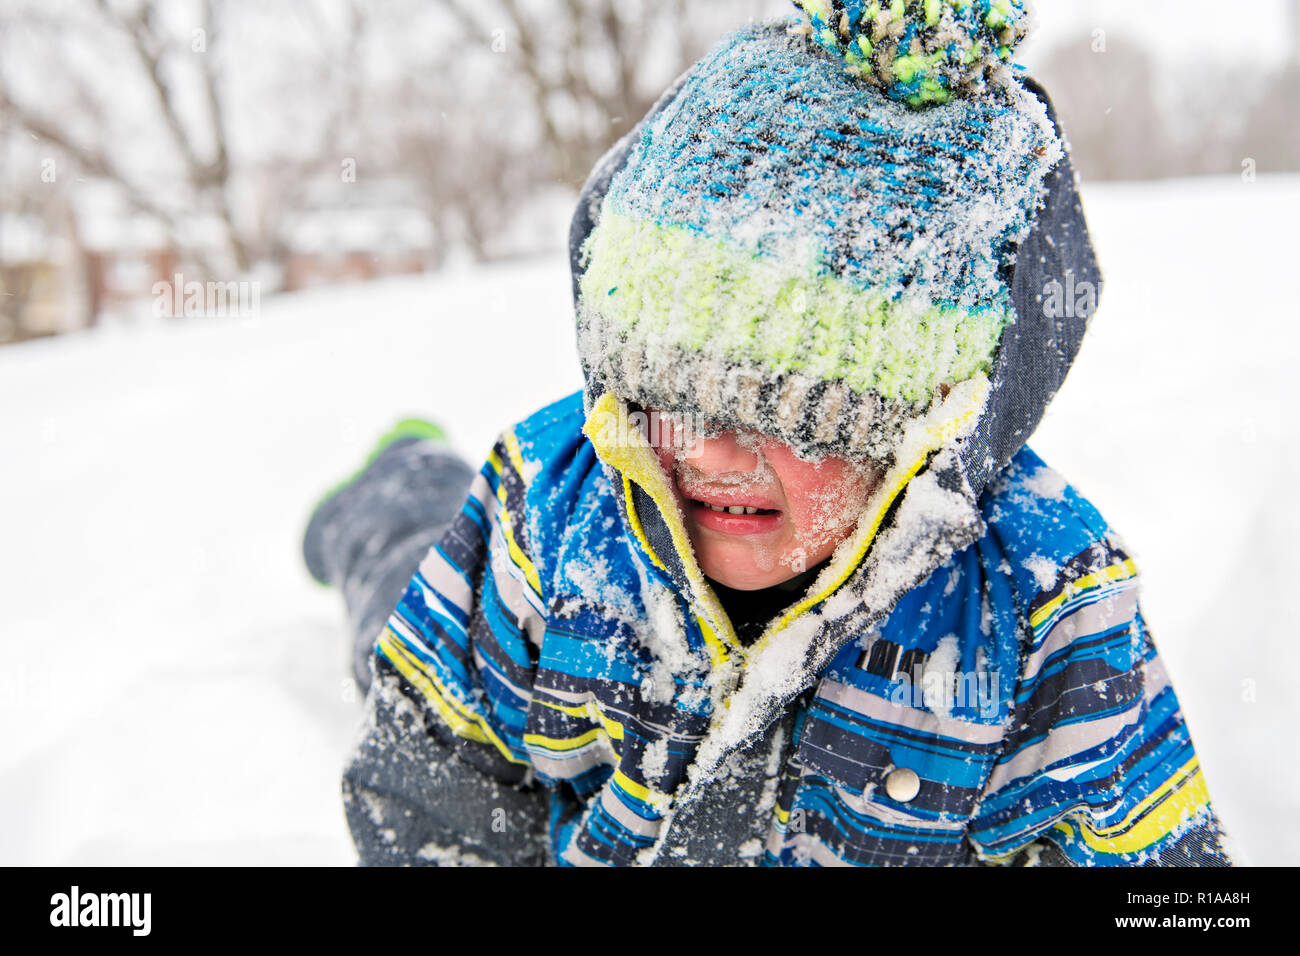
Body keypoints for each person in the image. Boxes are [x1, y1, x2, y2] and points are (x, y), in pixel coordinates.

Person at [304, 2, 1232, 866]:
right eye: (665, 395)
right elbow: (432, 787)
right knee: (403, 586)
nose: (706, 450)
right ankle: (400, 482)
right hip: (498, 601)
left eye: (784, 414)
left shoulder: (1040, 604)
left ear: (921, 428)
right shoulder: (547, 509)